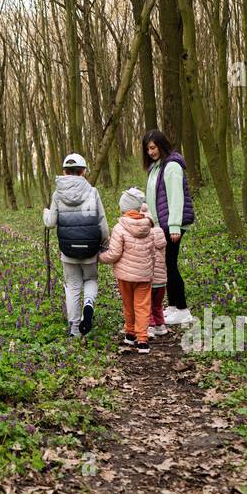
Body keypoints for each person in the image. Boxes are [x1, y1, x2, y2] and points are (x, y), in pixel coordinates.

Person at [43, 153, 108, 337]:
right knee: (90, 280)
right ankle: (88, 304)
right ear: (84, 172)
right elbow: (101, 221)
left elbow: (50, 222)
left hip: (68, 249)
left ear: (64, 172)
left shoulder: (58, 194)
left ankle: (74, 329)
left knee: (72, 286)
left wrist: (45, 213)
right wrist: (104, 245)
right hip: (90, 248)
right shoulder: (92, 191)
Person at [98, 187, 167, 354]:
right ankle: (143, 340)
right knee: (143, 307)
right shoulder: (149, 228)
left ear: (122, 208)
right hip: (144, 276)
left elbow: (114, 254)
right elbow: (153, 254)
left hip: (125, 277)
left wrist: (100, 257)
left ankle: (130, 334)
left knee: (128, 305)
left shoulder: (119, 228)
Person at [142, 129, 195, 326]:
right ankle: (173, 307)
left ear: (162, 145)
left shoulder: (172, 166)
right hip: (162, 223)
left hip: (173, 223)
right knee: (166, 264)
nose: (150, 152)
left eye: (153, 147)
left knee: (170, 264)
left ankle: (182, 309)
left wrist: (174, 226)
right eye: (147, 149)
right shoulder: (157, 167)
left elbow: (176, 197)